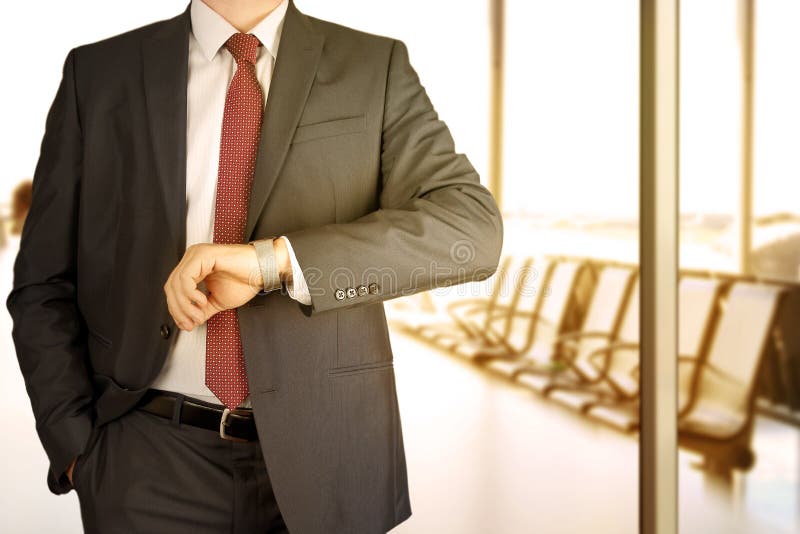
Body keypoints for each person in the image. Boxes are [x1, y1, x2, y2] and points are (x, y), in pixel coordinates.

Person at [7, 0, 503, 532]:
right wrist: (77, 448)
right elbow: (43, 282)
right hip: (144, 462)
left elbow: (470, 231)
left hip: (333, 460)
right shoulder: (100, 73)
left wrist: (273, 262)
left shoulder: (372, 65)